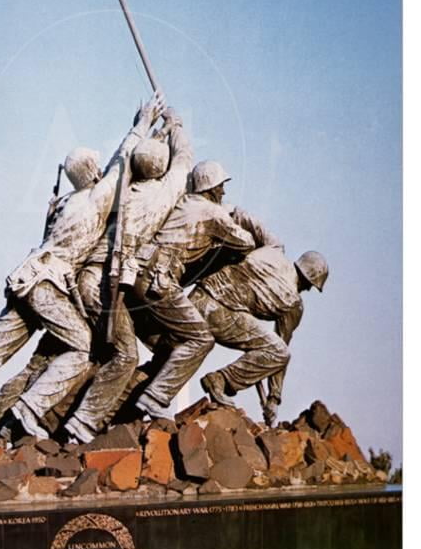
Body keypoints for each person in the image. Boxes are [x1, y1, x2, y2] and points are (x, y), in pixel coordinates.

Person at [0, 92, 165, 447]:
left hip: (24, 279)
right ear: (92, 171)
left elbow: (111, 171)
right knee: (81, 346)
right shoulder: (93, 201)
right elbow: (121, 164)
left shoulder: (61, 205)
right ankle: (30, 408)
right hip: (47, 285)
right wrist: (143, 123)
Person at [62, 107, 193, 442]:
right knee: (126, 354)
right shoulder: (164, 193)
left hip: (93, 280)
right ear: (160, 168)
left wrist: (144, 126)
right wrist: (175, 125)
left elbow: (121, 160)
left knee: (159, 344)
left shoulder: (117, 189)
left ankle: (129, 406)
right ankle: (83, 423)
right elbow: (184, 161)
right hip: (102, 284)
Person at [127, 159, 256, 418]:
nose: (223, 192)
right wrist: (232, 220)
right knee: (200, 339)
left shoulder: (184, 203)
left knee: (168, 346)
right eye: (221, 186)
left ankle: (123, 407)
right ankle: (156, 397)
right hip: (159, 277)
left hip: (137, 277)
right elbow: (247, 242)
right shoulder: (211, 211)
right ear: (210, 188)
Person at [192, 247, 329, 425]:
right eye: (311, 285)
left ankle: (145, 377)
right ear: (308, 279)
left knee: (174, 352)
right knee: (278, 353)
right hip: (221, 313)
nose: (309, 289)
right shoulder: (293, 302)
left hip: (199, 296)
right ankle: (221, 380)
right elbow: (280, 349)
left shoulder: (273, 255)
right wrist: (274, 398)